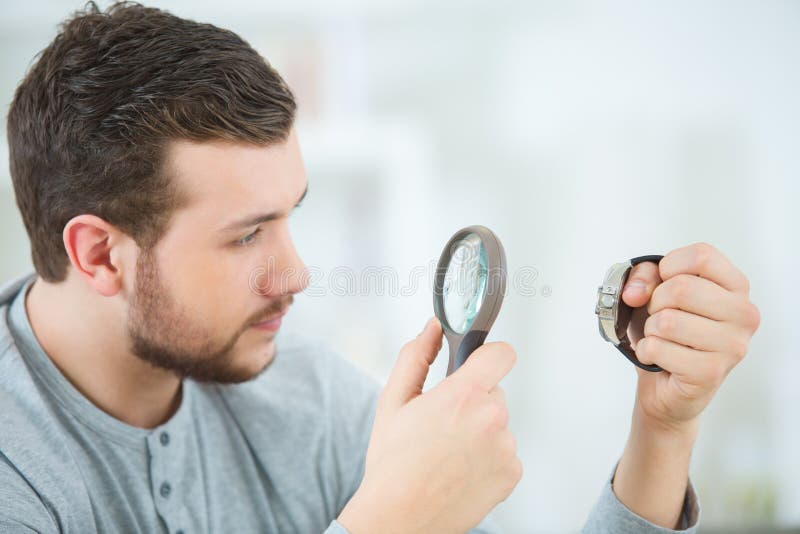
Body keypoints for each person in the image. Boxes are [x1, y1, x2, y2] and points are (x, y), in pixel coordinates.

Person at [0, 2, 760, 533]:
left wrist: (662, 430)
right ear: (100, 254)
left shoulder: (308, 398)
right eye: (246, 235)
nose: (295, 274)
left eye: (290, 213)